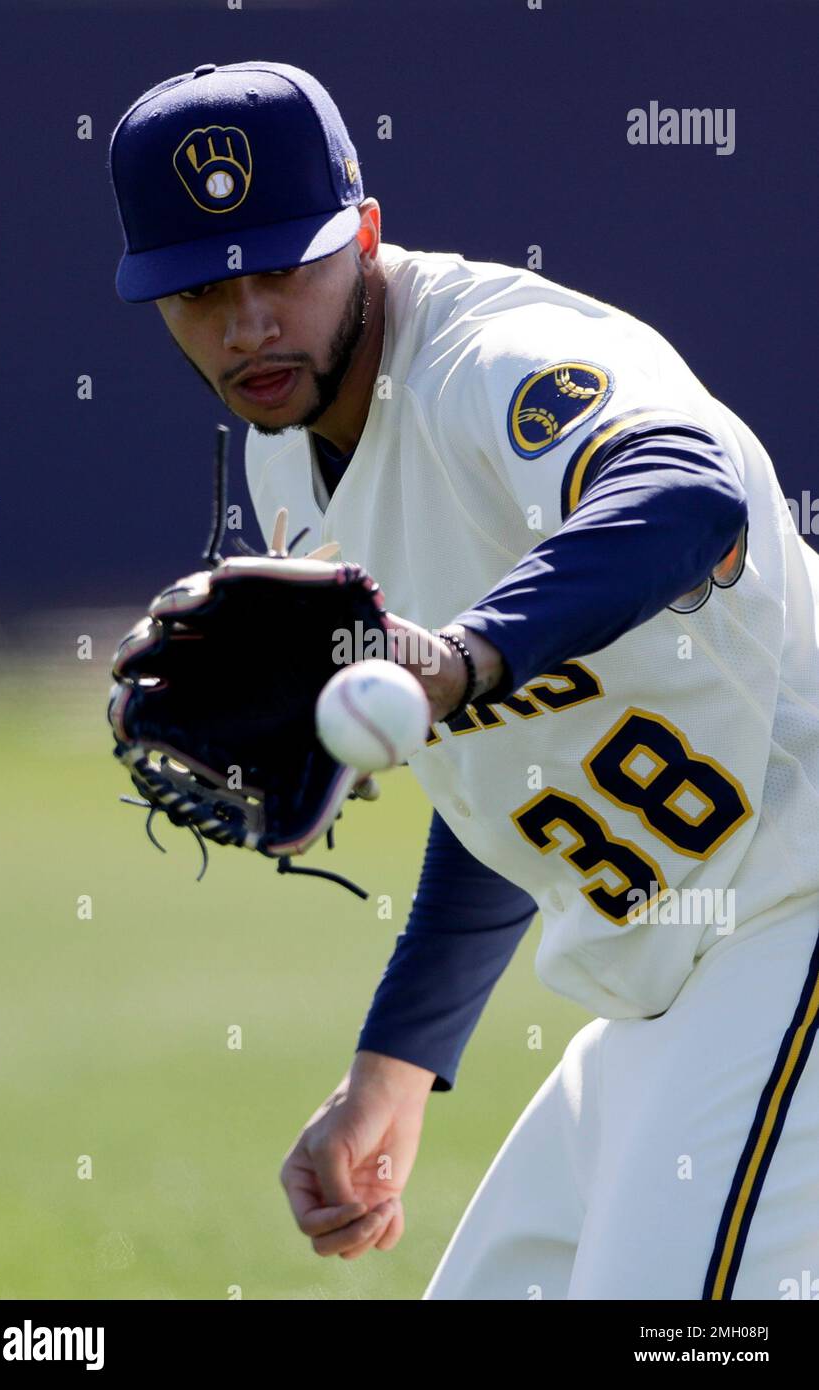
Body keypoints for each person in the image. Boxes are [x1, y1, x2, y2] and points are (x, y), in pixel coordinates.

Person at [109, 61, 819, 1299]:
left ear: (365, 233)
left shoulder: (491, 360)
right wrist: (393, 1061)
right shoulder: (289, 469)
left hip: (793, 911)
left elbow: (687, 489)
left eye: (282, 266)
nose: (248, 322)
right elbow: (501, 775)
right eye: (200, 290)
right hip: (671, 981)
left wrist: (452, 658)